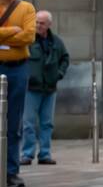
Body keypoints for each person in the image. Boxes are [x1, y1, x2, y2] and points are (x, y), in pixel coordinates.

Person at [0, 0, 36, 187]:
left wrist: (5, 35)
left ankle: (11, 171)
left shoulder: (27, 8)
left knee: (14, 122)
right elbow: (20, 34)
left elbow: (29, 36)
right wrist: (13, 30)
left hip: (18, 69)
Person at [20, 10, 69, 166]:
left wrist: (59, 74)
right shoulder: (28, 40)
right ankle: (27, 154)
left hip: (49, 88)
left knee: (47, 123)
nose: (38, 25)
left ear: (49, 25)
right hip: (31, 88)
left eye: (41, 23)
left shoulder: (56, 42)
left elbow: (65, 58)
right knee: (28, 123)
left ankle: (45, 154)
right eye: (36, 22)